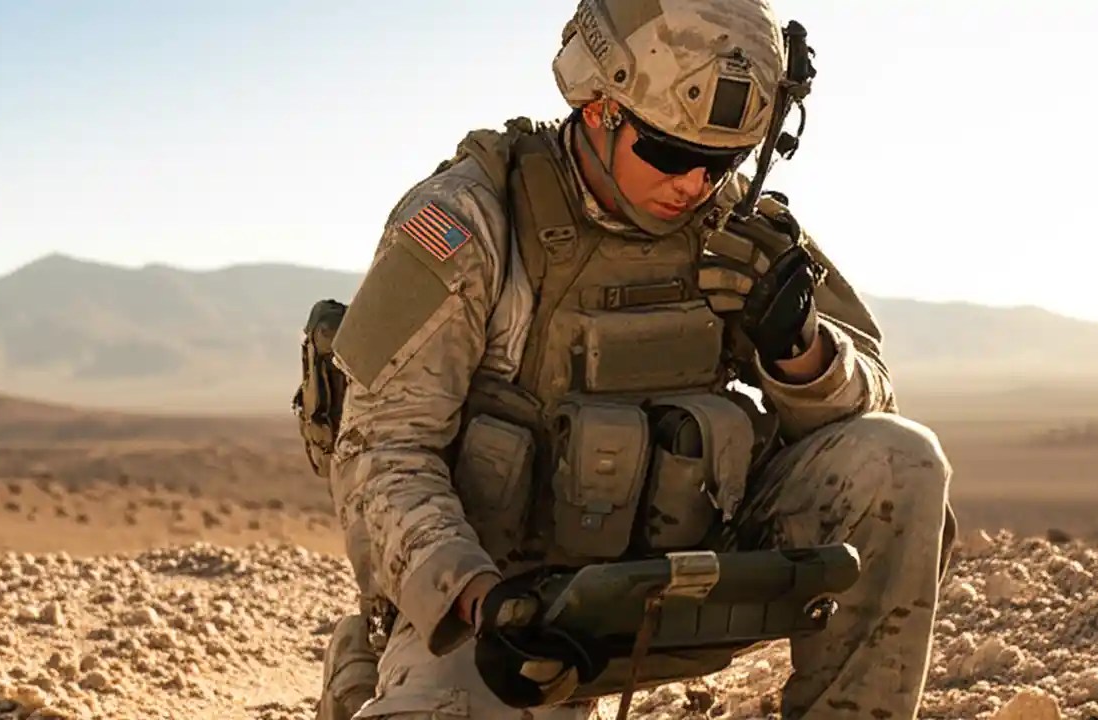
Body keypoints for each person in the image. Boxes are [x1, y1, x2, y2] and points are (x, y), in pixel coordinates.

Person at [301, 0, 958, 718]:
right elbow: (382, 451)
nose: (695, 186)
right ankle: (366, 670)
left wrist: (798, 352)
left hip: (690, 578)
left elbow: (872, 411)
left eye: (723, 162)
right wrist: (479, 599)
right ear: (597, 111)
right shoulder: (469, 222)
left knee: (903, 461)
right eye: (671, 155)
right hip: (508, 606)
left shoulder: (738, 227)